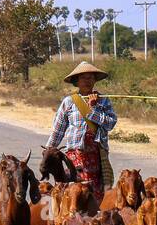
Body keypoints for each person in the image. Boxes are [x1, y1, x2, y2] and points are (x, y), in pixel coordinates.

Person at [45, 61, 117, 195]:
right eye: (83, 77)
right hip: (74, 154)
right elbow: (58, 130)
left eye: (90, 77)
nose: (87, 81)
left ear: (95, 80)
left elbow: (110, 123)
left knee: (94, 191)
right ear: (76, 81)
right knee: (71, 190)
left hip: (97, 155)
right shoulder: (69, 101)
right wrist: (48, 151)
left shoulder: (104, 100)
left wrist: (93, 109)